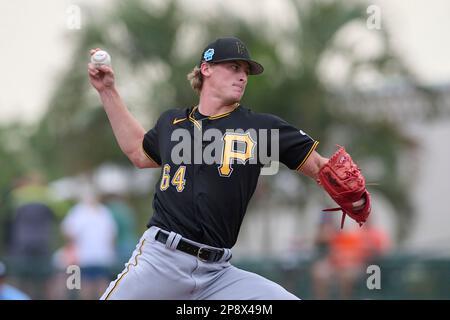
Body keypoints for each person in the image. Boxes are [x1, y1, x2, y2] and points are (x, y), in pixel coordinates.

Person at [87, 36, 371, 299]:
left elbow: (320, 166)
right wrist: (108, 90)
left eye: (246, 71)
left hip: (218, 275)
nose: (242, 76)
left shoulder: (260, 129)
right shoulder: (172, 124)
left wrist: (352, 194)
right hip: (162, 262)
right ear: (206, 69)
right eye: (234, 67)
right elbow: (138, 152)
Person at [61, 190, 117, 300]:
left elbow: (68, 232)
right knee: (99, 283)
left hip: (87, 255)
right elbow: (112, 235)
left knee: (87, 284)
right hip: (97, 255)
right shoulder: (103, 211)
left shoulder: (79, 211)